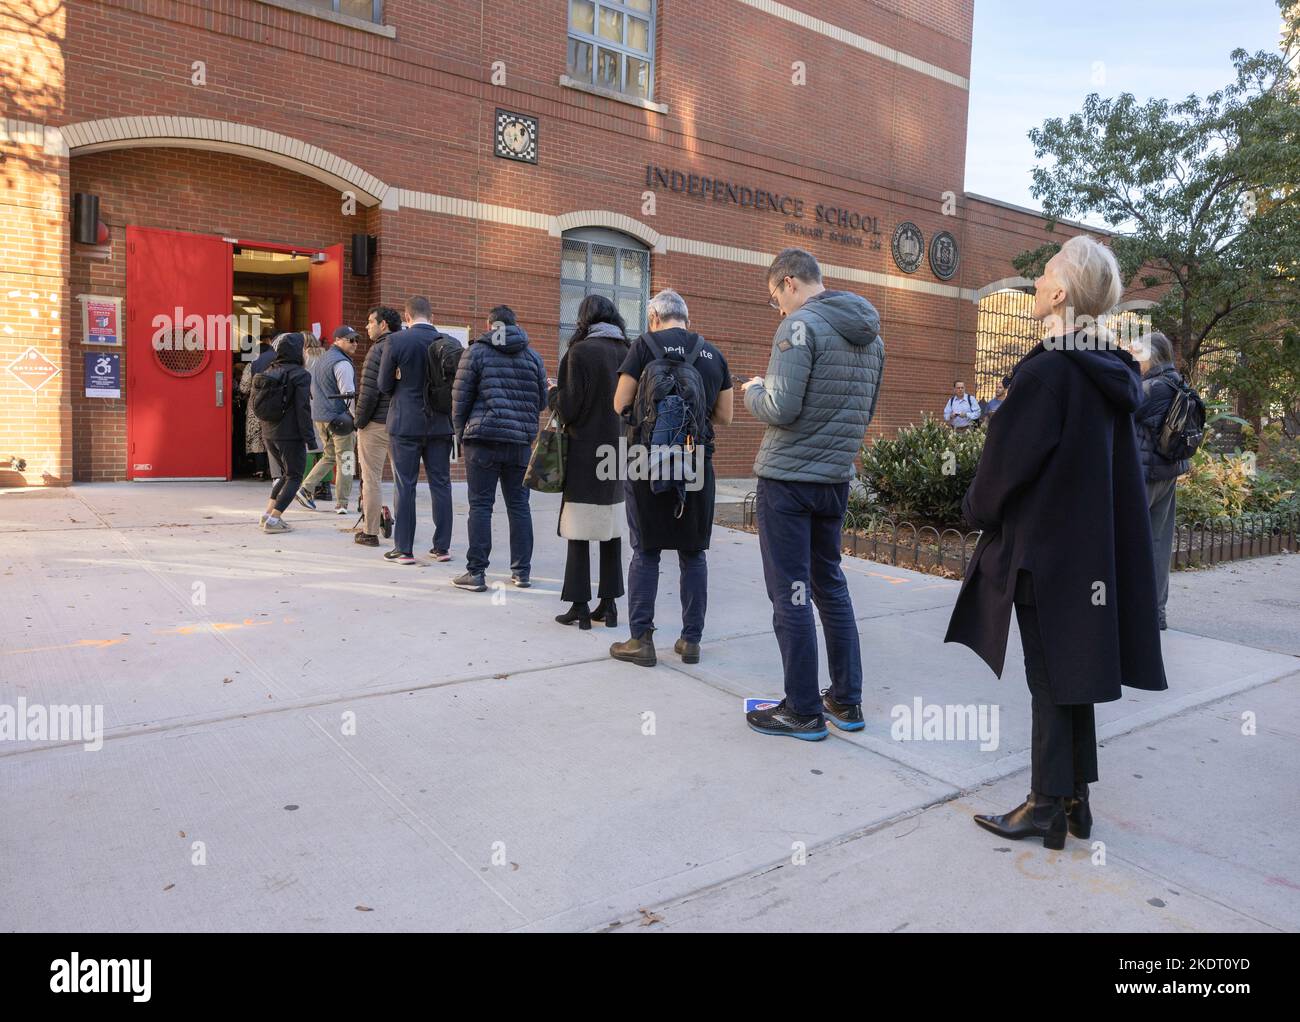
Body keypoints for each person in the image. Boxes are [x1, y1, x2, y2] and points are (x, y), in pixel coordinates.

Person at [944, 234, 1167, 849]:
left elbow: (1003, 469)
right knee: (1074, 673)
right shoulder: (1109, 372)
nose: (1037, 284)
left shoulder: (1048, 372)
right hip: (1089, 554)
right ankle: (1074, 800)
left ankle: (1045, 802)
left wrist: (975, 508)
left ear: (1061, 292)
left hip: (1043, 553)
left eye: (1044, 275)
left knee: (1048, 677)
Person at [740, 248, 885, 741]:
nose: (777, 310)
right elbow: (863, 416)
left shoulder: (798, 327)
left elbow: (781, 408)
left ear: (788, 283)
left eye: (773, 298)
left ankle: (801, 709)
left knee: (791, 593)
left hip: (787, 482)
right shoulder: (871, 336)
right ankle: (845, 700)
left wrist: (753, 389)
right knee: (830, 586)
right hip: (834, 480)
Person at [609, 288, 733, 667]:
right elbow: (725, 417)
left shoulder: (643, 346)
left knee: (645, 551)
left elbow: (620, 404)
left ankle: (640, 641)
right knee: (693, 553)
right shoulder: (712, 355)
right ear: (687, 319)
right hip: (695, 463)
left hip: (647, 462)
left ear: (653, 318)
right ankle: (690, 641)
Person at [450, 305, 548, 591]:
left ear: (491, 324)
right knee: (519, 506)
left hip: (482, 440)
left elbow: (460, 398)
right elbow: (542, 401)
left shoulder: (476, 352)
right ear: (514, 325)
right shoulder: (533, 357)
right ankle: (522, 572)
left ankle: (477, 573)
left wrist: (460, 433)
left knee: (481, 505)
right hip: (519, 441)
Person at [550, 295, 630, 630]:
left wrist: (552, 392)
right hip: (619, 452)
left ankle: (580, 606)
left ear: (585, 319)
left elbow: (568, 408)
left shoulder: (579, 353)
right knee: (611, 529)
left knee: (579, 528)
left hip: (584, 450)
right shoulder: (630, 351)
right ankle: (609, 605)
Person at [378, 296, 460, 565]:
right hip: (440, 423)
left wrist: (399, 382)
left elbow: (383, 385)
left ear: (407, 317)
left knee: (405, 484)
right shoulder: (448, 342)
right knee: (441, 484)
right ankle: (442, 547)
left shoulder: (397, 341)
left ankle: (404, 549)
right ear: (432, 316)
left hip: (405, 422)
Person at [1134, 331, 1191, 630]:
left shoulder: (1149, 388)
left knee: (1129, 544)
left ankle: (1132, 612)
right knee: (1158, 545)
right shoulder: (1179, 382)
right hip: (1169, 474)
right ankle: (1156, 613)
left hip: (1143, 476)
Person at [353, 305, 402, 547]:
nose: (367, 326)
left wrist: (359, 422)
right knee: (403, 480)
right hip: (402, 423)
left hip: (376, 424)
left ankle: (369, 532)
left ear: (384, 325)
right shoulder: (407, 347)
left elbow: (369, 393)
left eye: (371, 322)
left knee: (371, 479)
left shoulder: (377, 350)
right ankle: (405, 534)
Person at [297, 325, 359, 514]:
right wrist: (356, 420)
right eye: (351, 340)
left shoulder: (322, 359)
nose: (355, 343)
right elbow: (348, 395)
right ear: (338, 340)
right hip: (340, 419)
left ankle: (306, 488)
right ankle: (342, 503)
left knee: (330, 455)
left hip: (321, 417)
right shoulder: (343, 363)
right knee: (347, 458)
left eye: (356, 339)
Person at [256, 332, 313, 533]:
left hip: (268, 432)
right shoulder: (300, 375)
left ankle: (268, 514)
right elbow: (303, 409)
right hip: (290, 434)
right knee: (295, 477)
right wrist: (310, 439)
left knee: (283, 476)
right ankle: (274, 521)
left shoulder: (270, 370)